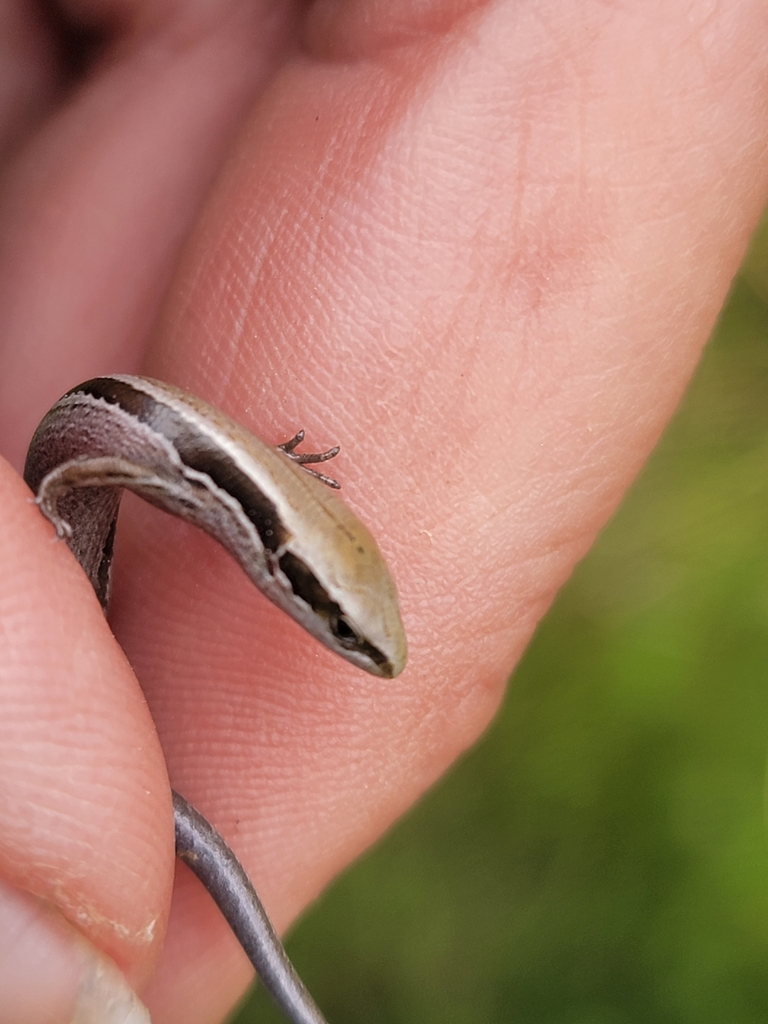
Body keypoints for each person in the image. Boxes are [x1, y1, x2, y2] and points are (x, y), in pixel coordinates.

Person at [0, 1, 766, 1021]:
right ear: (280, 562)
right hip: (97, 456)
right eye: (336, 619)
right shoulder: (175, 469)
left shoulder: (211, 484)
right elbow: (103, 449)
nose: (345, 642)